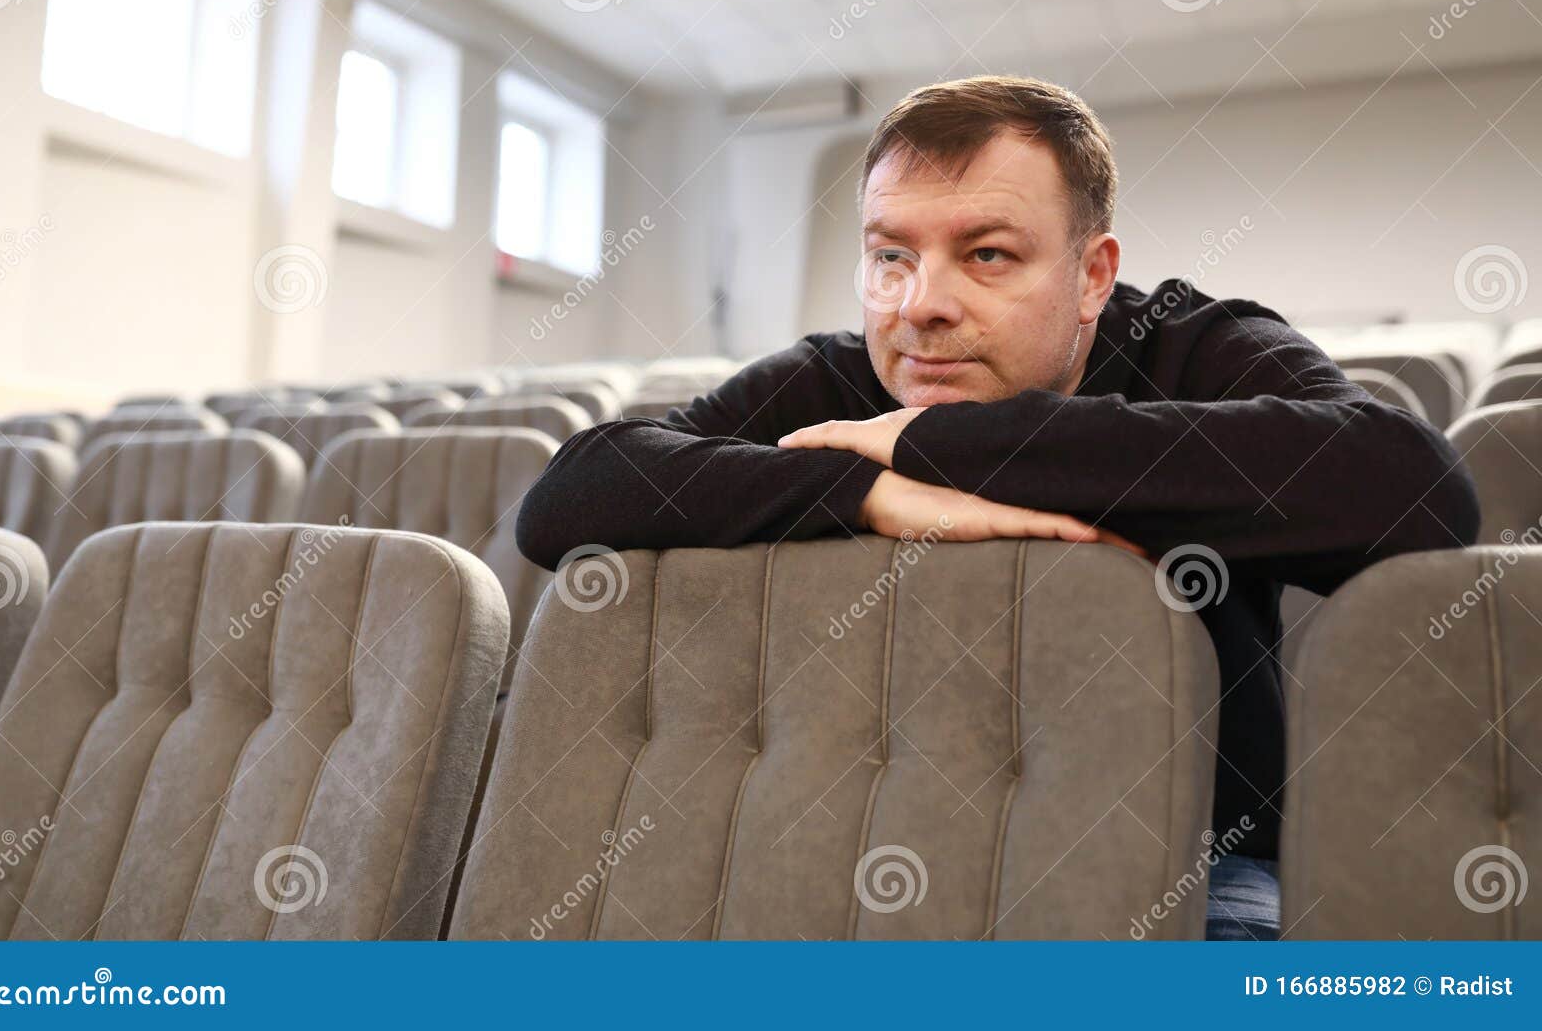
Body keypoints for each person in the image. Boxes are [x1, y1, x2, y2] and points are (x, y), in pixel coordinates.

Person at [516, 74, 1480, 939]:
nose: (921, 304)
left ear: (1092, 275)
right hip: (854, 849)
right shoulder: (839, 376)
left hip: (1196, 870)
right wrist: (867, 488)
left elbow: (1412, 485)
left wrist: (930, 442)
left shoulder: (1192, 345)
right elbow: (572, 491)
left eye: (985, 254)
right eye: (892, 255)